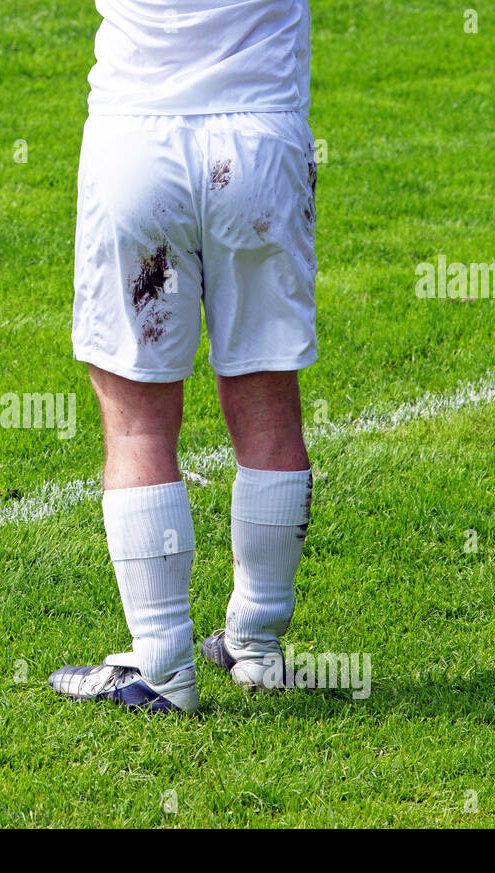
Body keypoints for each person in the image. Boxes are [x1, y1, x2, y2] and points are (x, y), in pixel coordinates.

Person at [49, 0, 317, 713]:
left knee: (138, 418)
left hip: (137, 141)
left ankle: (164, 664)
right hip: (261, 143)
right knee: (265, 394)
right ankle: (256, 644)